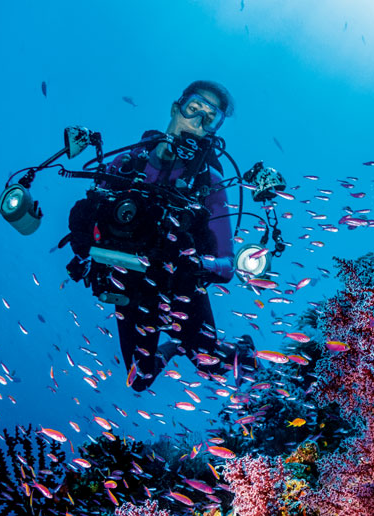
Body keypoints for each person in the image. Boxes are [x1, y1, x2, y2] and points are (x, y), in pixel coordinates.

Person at [64, 80, 256, 391]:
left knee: (212, 369)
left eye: (209, 119)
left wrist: (192, 263)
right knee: (139, 381)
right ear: (175, 108)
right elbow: (96, 216)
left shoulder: (211, 181)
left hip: (179, 287)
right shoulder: (128, 163)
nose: (196, 123)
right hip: (130, 285)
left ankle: (241, 351)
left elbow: (228, 265)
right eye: (193, 109)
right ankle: (174, 347)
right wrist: (83, 242)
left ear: (213, 131)